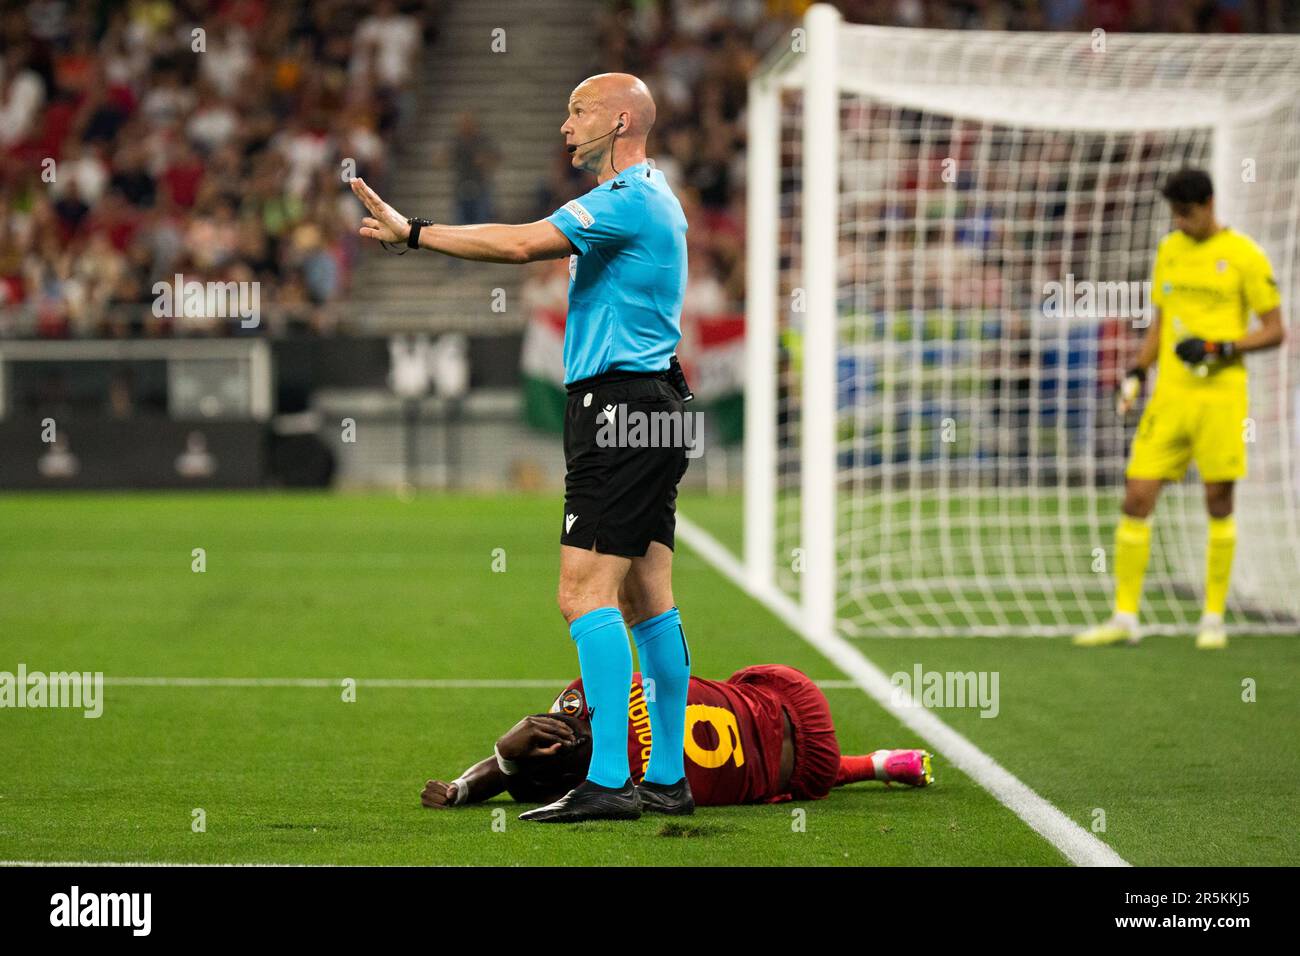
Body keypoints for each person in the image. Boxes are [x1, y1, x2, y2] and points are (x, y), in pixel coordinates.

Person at [350, 73, 693, 821]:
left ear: (622, 120)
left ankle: (607, 781)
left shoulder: (625, 198)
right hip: (659, 403)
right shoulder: (657, 197)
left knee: (583, 595)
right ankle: (667, 774)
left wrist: (415, 232)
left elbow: (517, 243)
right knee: (647, 597)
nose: (564, 123)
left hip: (619, 404)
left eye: (578, 111)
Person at [1075, 168, 1285, 650]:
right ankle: (1124, 617)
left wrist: (1219, 346)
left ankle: (1212, 618)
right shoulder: (1169, 250)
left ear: (1209, 204)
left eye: (1186, 214)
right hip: (1168, 399)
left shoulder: (1244, 257)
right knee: (1136, 497)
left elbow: (1274, 330)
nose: (1180, 223)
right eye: (1175, 215)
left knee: (1218, 501)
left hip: (1220, 400)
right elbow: (1160, 322)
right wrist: (1137, 369)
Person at [421, 664, 933, 810]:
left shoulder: (607, 783)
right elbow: (516, 774)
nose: (561, 725)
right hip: (796, 723)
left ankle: (875, 764)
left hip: (795, 734)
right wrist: (483, 774)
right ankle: (876, 764)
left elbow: (513, 777)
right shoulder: (589, 711)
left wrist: (469, 784)